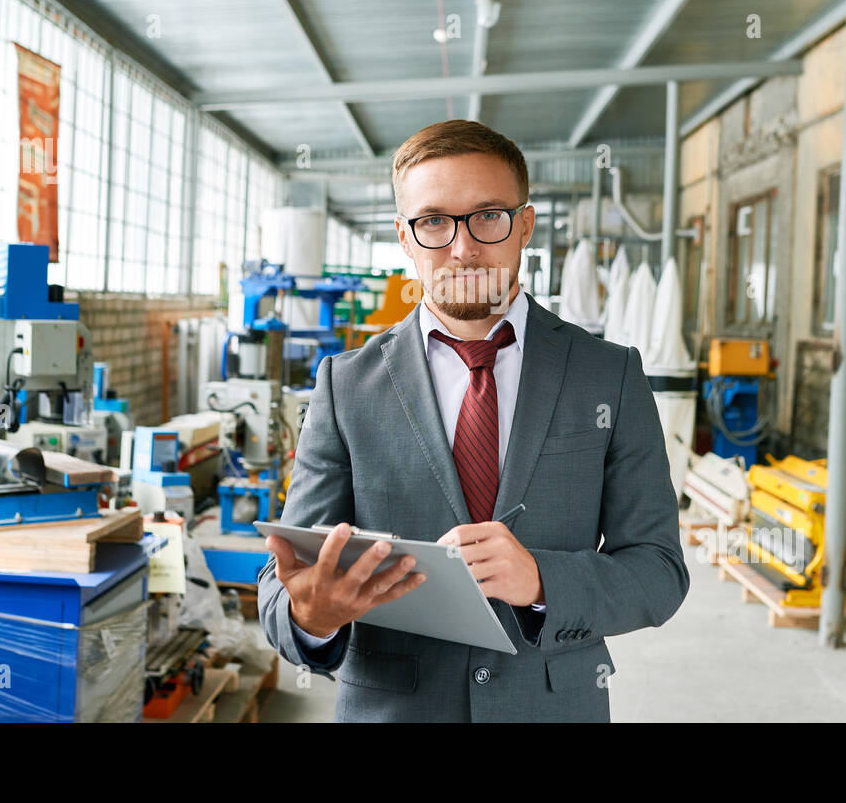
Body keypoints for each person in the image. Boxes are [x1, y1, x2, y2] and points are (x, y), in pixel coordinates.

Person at [257, 120, 689, 722]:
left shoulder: (608, 376)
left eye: (488, 215)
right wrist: (311, 614)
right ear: (406, 239)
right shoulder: (346, 385)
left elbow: (659, 571)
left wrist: (541, 580)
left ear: (526, 227)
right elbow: (286, 582)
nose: (462, 247)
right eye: (433, 221)